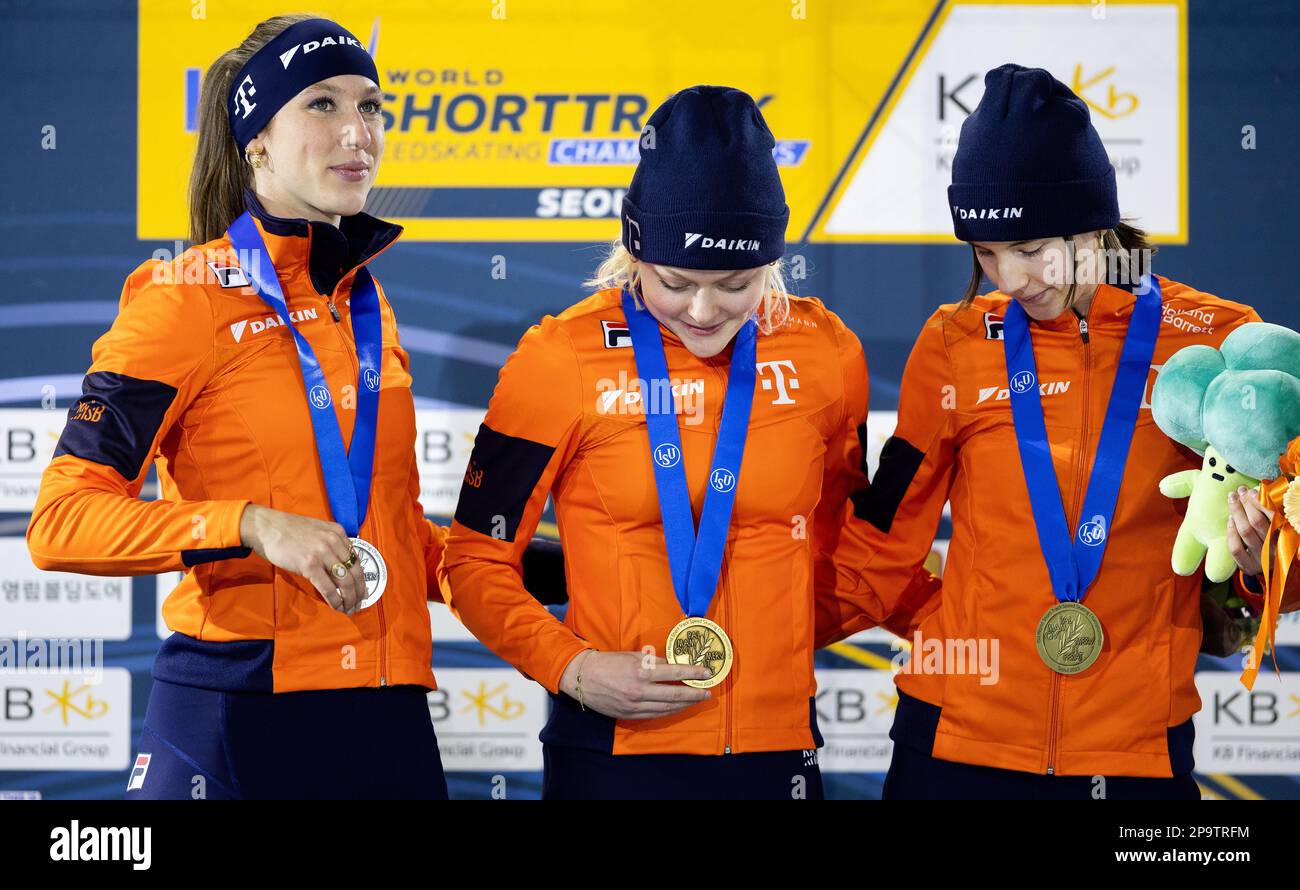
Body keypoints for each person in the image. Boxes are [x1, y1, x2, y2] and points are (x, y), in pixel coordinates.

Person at [26, 14, 558, 800]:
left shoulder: (365, 306)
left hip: (389, 716)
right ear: (257, 141)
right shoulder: (183, 299)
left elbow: (390, 539)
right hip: (241, 713)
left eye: (371, 107)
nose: (358, 131)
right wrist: (250, 525)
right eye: (322, 104)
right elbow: (60, 523)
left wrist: (574, 563)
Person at [439, 84, 938, 800]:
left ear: (771, 259)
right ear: (634, 250)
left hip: (777, 753)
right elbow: (475, 559)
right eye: (674, 282)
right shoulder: (559, 358)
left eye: (734, 284)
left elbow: (844, 547)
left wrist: (788, 645)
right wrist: (571, 667)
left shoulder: (828, 354)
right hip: (611, 752)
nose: (703, 311)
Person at [818, 64, 1300, 800]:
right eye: (985, 254)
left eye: (1035, 248)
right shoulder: (953, 342)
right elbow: (882, 537)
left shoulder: (1216, 342)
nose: (1011, 278)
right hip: (953, 747)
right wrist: (953, 632)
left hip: (1134, 752)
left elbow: (1272, 578)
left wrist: (1263, 565)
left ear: (1095, 222)